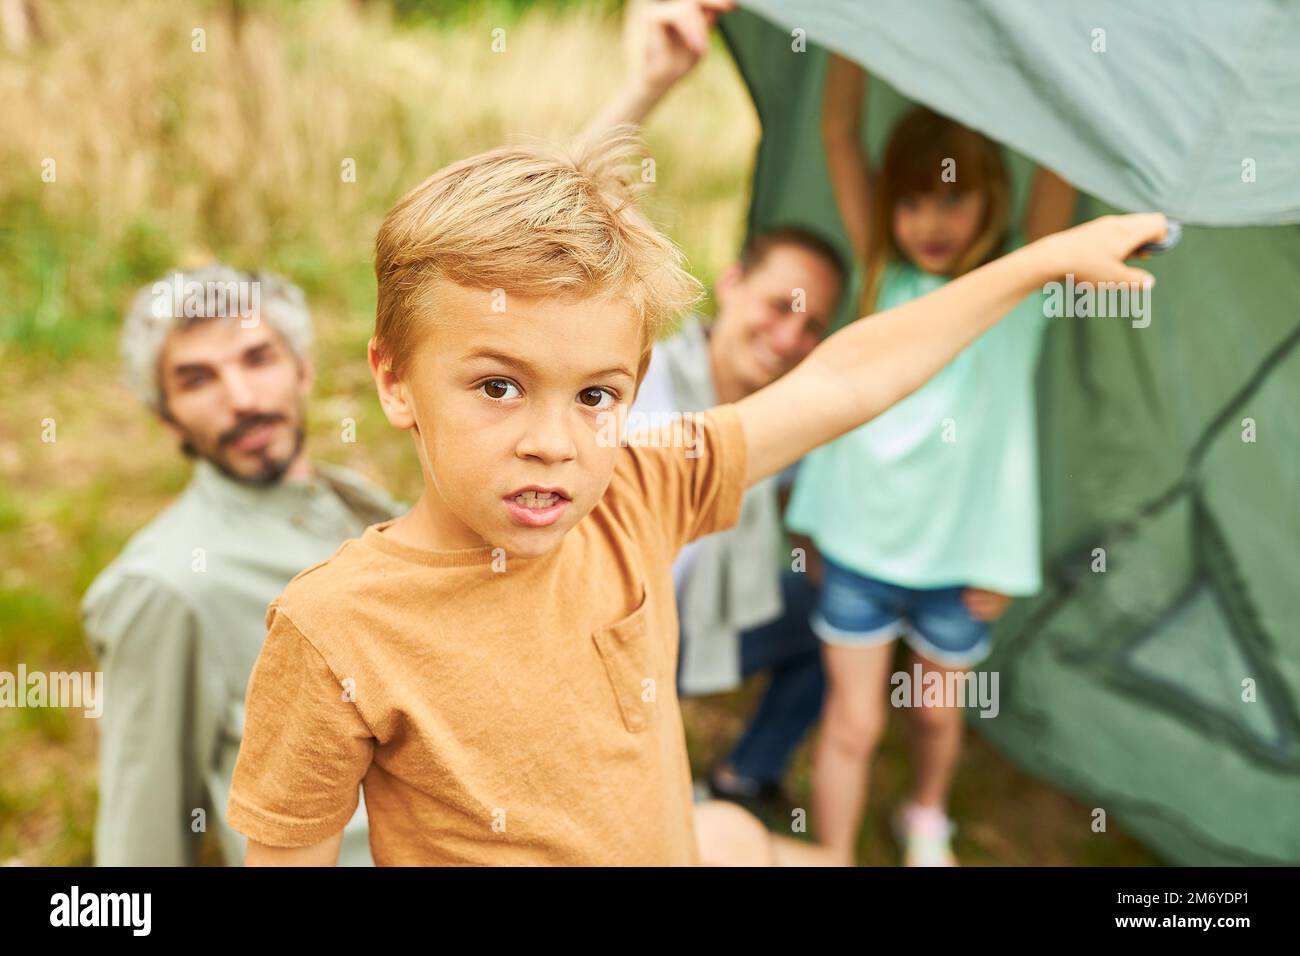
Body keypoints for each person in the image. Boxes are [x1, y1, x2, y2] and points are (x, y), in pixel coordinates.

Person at [223, 123, 1163, 866]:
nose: (555, 444)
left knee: (745, 843)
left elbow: (844, 381)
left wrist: (1039, 262)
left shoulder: (638, 489)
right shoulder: (334, 629)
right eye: (498, 386)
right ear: (395, 383)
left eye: (596, 396)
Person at [784, 54, 1079, 866]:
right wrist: (848, 36)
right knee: (852, 722)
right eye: (911, 200)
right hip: (858, 549)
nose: (930, 218)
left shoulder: (1017, 287)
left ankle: (925, 817)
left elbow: (1065, 163)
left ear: (993, 199)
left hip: (962, 561)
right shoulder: (883, 276)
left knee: (937, 714)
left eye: (952, 196)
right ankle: (832, 852)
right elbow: (840, 135)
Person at [590, 0, 846, 815]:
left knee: (833, 619)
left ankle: (744, 780)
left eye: (812, 324)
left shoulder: (791, 418)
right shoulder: (644, 370)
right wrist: (650, 84)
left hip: (700, 622)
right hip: (602, 629)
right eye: (779, 305)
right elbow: (576, 198)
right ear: (732, 284)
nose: (788, 335)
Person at [82, 264, 401, 865]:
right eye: (197, 379)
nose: (242, 399)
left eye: (258, 358)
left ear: (302, 368)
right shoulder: (164, 588)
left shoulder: (355, 504)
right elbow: (141, 841)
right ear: (166, 413)